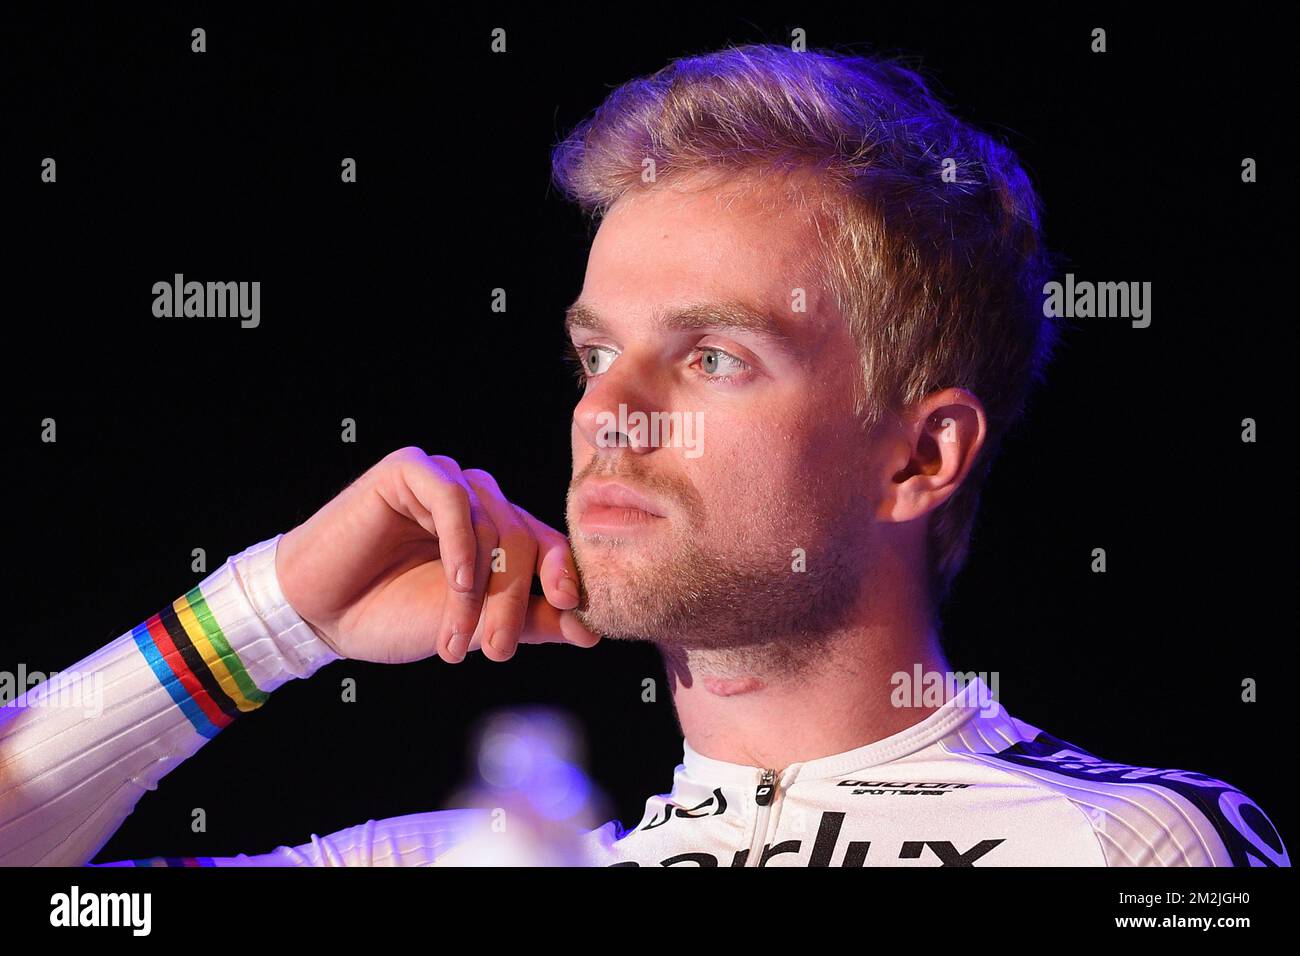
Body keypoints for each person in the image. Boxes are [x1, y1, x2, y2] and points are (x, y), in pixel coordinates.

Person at [1, 44, 1287, 867]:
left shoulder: (1137, 848)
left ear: (919, 456)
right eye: (591, 353)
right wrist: (275, 616)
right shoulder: (474, 861)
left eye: (712, 354)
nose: (606, 412)